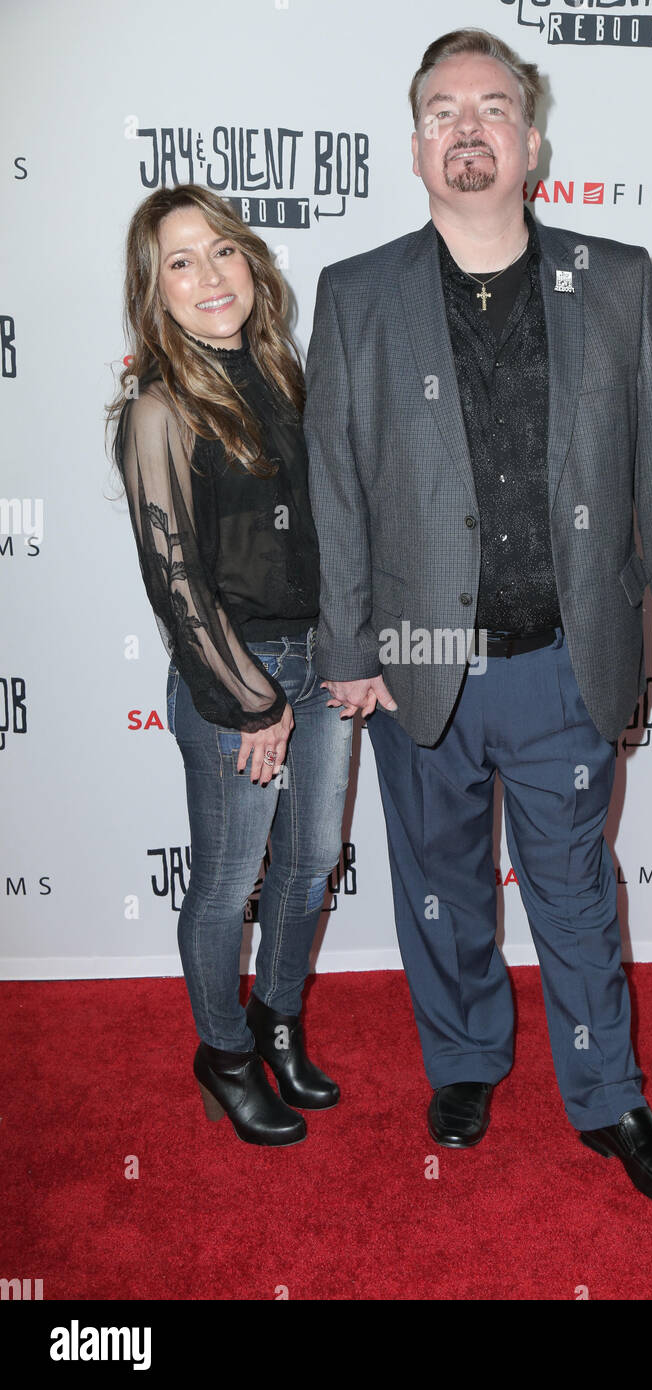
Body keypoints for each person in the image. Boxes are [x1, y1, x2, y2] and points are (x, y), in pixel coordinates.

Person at [305, 29, 652, 1209]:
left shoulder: (619, 278)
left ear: (531, 140)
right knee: (436, 876)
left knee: (574, 889)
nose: (469, 125)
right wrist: (345, 649)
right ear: (418, 145)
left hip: (564, 653)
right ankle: (467, 1062)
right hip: (418, 663)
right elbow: (333, 481)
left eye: (493, 105)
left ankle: (609, 1099)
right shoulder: (356, 293)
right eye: (443, 109)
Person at [110, 184, 352, 1147]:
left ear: (251, 261)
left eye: (221, 252)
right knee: (224, 885)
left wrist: (349, 648)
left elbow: (336, 532)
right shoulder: (159, 410)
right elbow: (174, 581)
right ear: (153, 290)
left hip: (325, 664)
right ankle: (225, 1054)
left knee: (309, 865)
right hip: (232, 682)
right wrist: (254, 702)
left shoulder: (287, 377)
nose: (209, 276)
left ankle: (277, 1020)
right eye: (180, 261)